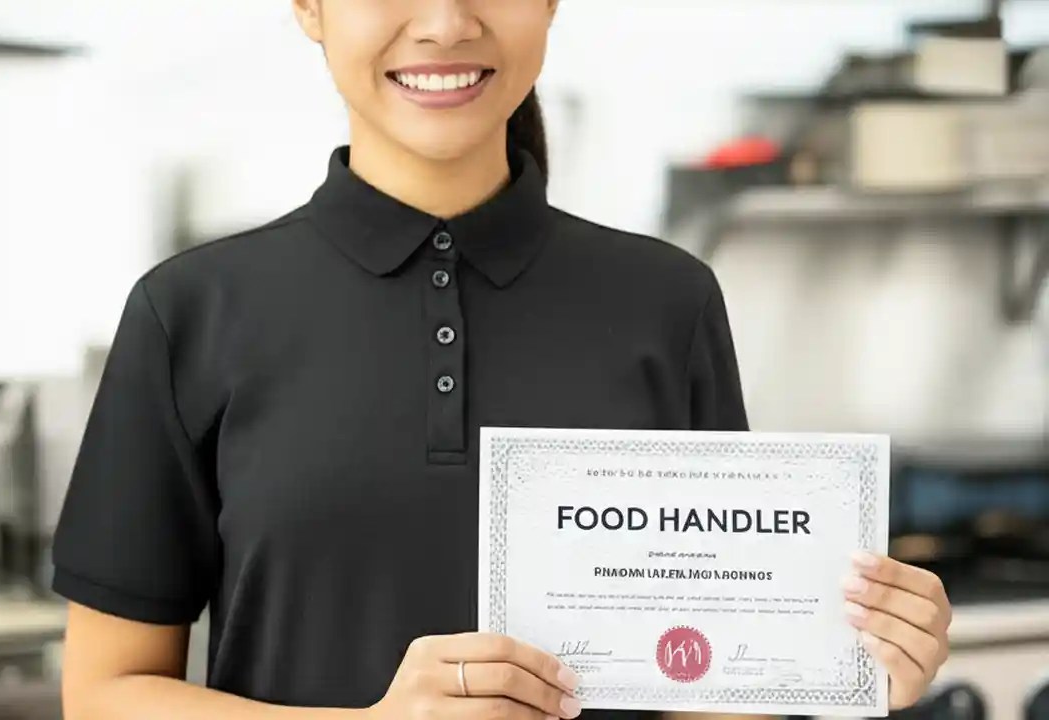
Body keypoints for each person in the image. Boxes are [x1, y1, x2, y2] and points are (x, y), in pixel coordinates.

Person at [51, 2, 953, 719]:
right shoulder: (191, 311)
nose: (446, 21)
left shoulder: (667, 300)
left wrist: (845, 670)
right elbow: (105, 693)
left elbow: (708, 691)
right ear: (310, 7)